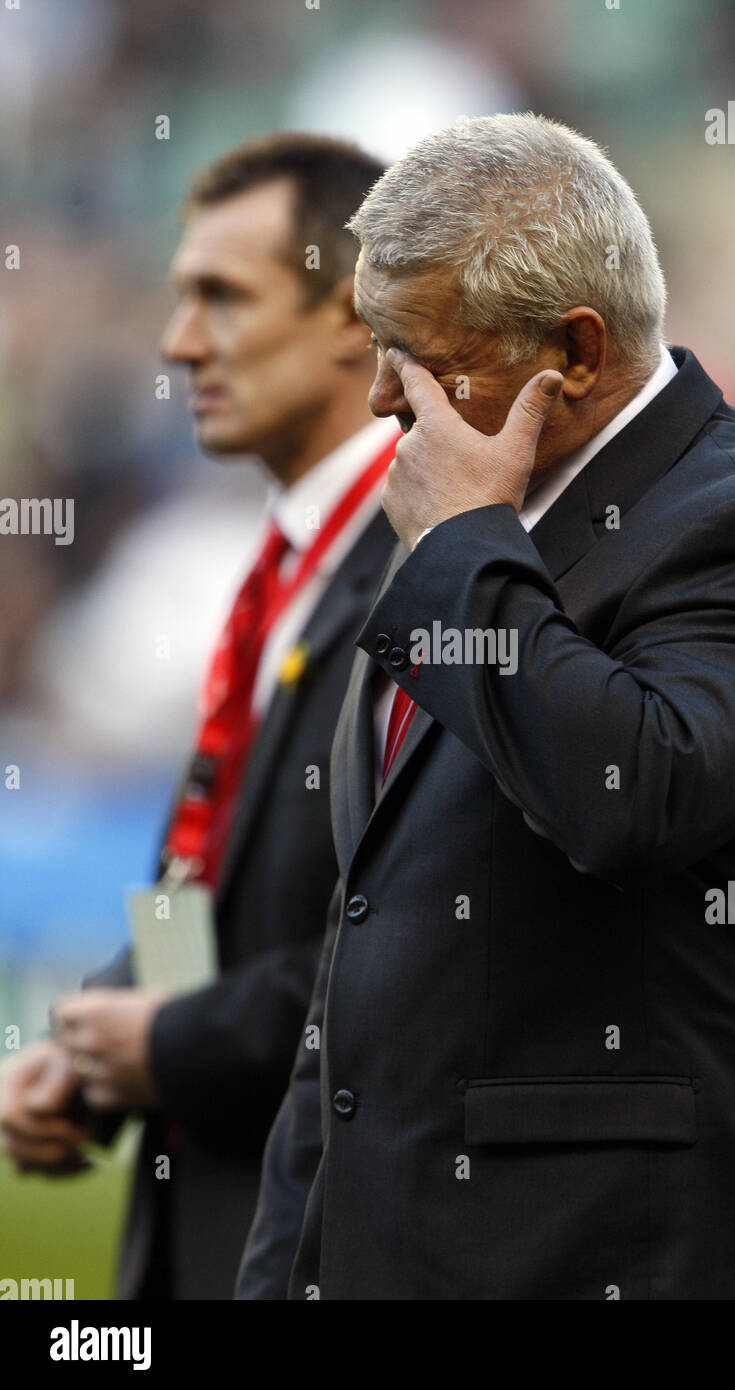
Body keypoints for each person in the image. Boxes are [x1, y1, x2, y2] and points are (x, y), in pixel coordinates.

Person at [237, 113, 735, 1300]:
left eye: (418, 355)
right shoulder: (467, 521)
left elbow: (629, 793)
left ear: (577, 353)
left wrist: (462, 547)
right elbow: (362, 969)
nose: (383, 396)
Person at [0, 132, 399, 1300]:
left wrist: (167, 1044)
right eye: (179, 300)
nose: (179, 344)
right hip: (210, 1232)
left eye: (221, 297)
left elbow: (406, 948)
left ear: (351, 316)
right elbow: (212, 871)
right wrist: (107, 1027)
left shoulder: (442, 576)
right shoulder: (280, 565)